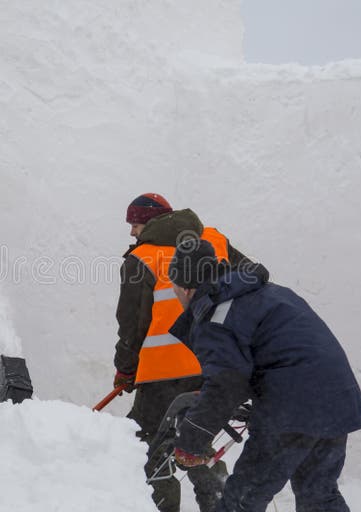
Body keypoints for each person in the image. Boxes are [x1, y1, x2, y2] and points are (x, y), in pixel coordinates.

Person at [166, 238, 361, 512]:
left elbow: (225, 383)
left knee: (241, 500)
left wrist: (191, 441)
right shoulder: (265, 292)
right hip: (337, 398)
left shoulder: (216, 315)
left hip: (293, 406)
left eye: (174, 289)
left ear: (187, 288)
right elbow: (282, 351)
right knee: (319, 496)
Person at [112, 193, 269, 512]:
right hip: (216, 366)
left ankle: (159, 507)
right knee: (193, 436)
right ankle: (220, 499)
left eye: (136, 223)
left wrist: (126, 370)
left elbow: (131, 325)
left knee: (148, 451)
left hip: (164, 374)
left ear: (151, 222)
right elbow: (255, 282)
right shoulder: (215, 240)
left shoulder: (141, 259)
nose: (132, 231)